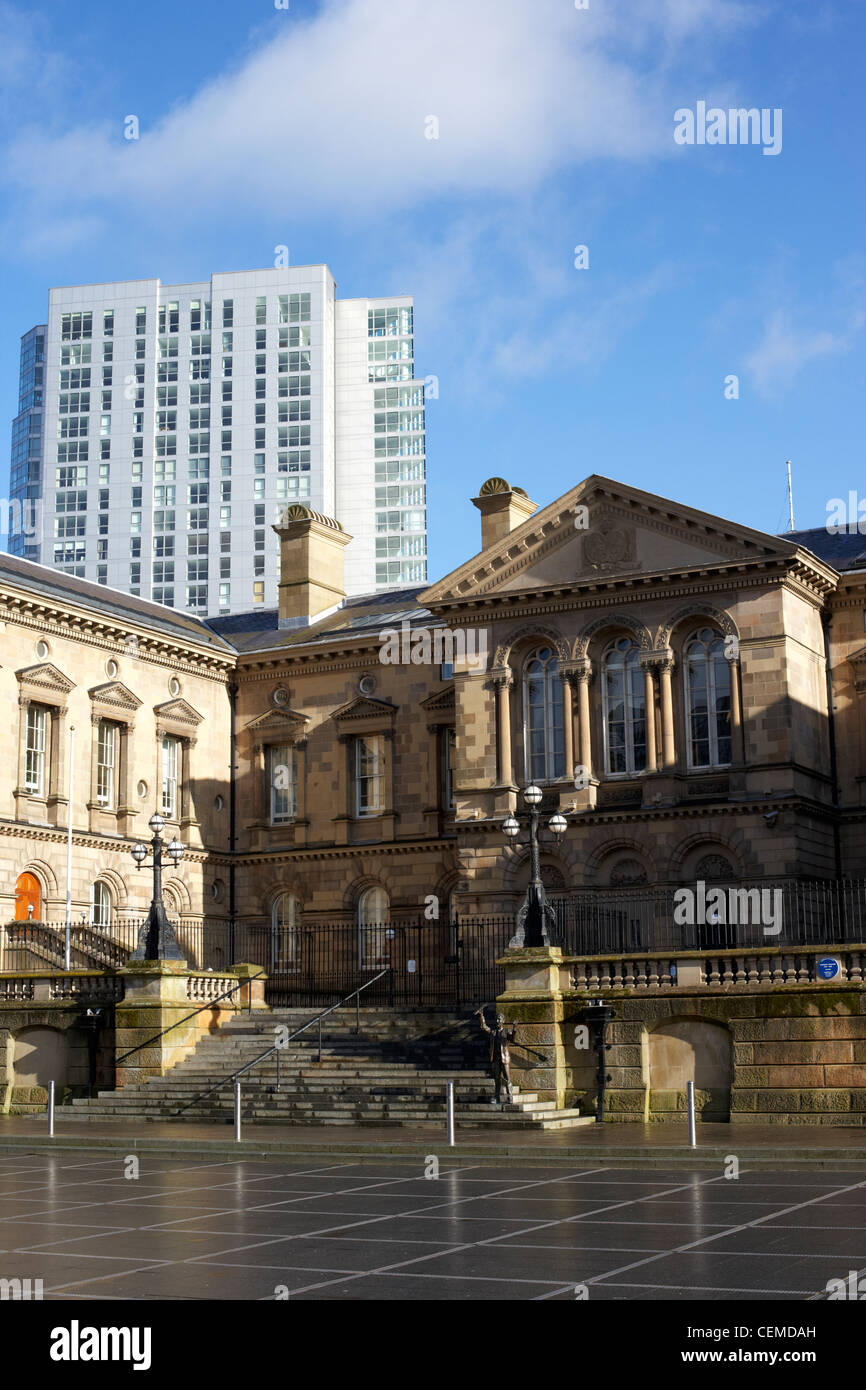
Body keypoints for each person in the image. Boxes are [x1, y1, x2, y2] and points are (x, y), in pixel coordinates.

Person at [475, 1007, 517, 1104]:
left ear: (503, 1021)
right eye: (497, 1019)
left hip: (504, 1058)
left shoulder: (506, 1031)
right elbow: (484, 1027)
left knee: (507, 1078)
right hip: (496, 1058)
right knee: (497, 1078)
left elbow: (512, 1039)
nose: (498, 1021)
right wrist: (482, 1016)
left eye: (500, 1019)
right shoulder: (494, 1032)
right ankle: (496, 1096)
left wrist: (514, 1028)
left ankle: (510, 1096)